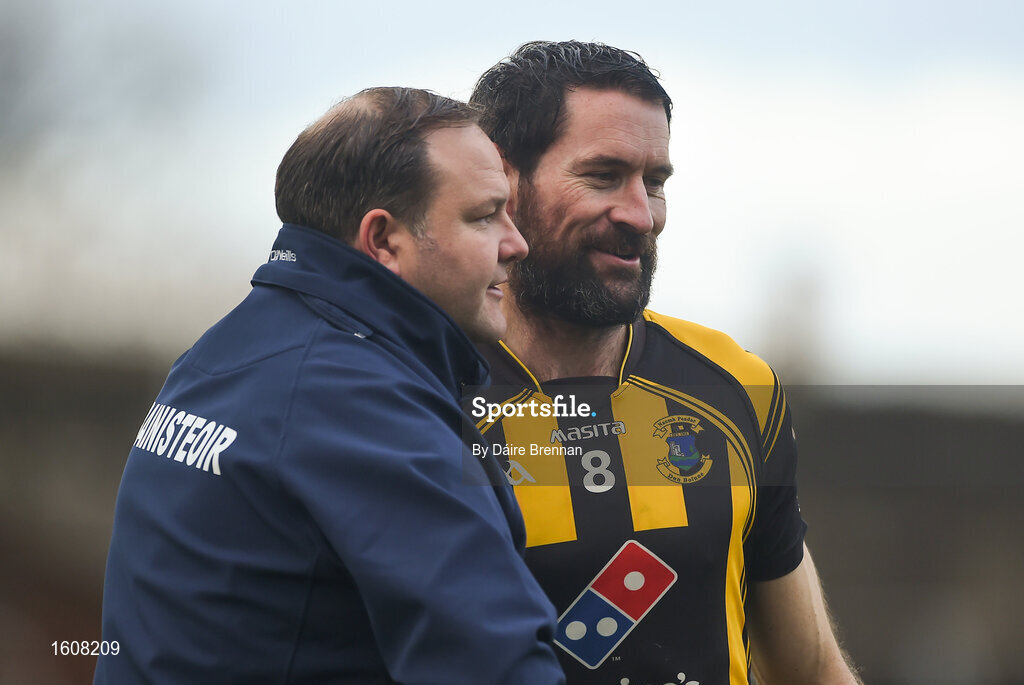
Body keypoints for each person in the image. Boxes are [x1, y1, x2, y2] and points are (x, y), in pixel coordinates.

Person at [95, 87, 565, 685]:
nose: (515, 243)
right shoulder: (357, 400)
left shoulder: (228, 351)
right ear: (383, 240)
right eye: (483, 216)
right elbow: (496, 664)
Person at [466, 41, 862, 685]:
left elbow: (811, 668)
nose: (640, 215)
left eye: (654, 183)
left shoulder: (737, 384)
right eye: (602, 176)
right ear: (503, 183)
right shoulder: (409, 392)